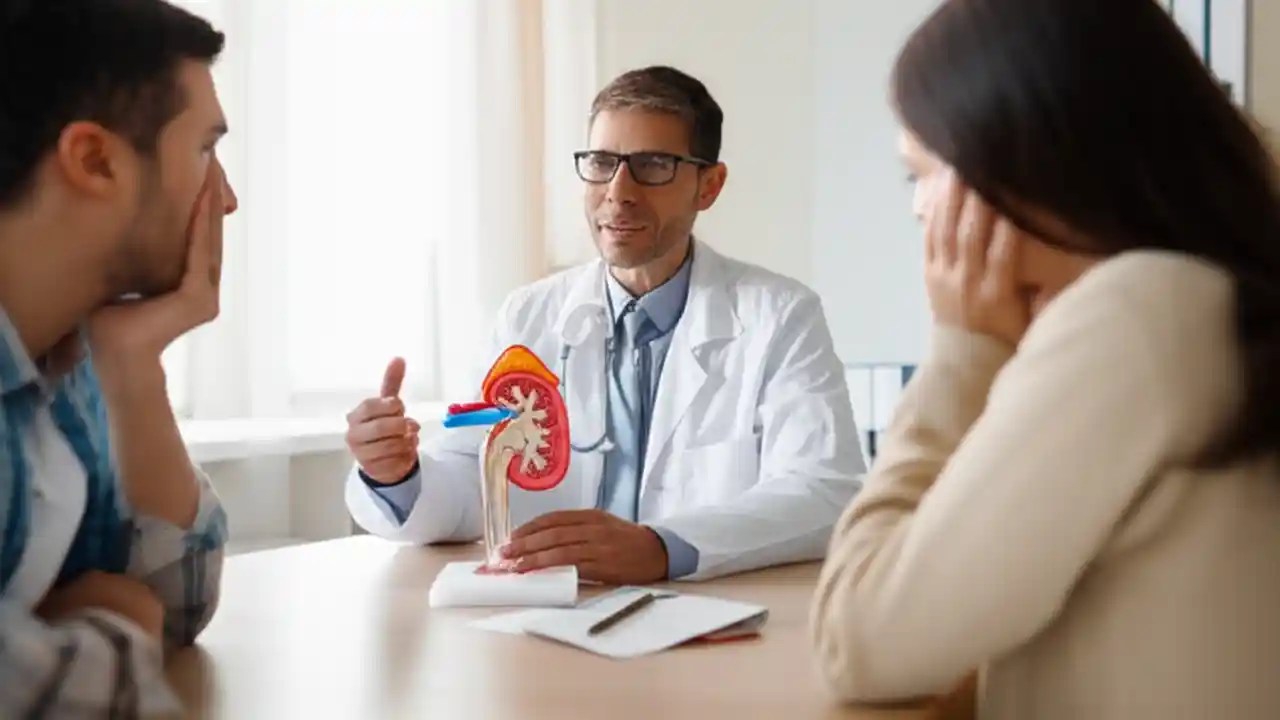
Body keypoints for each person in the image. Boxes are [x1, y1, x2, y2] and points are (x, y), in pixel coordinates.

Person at [810, 0, 1280, 717]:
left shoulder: (1138, 313)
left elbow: (858, 639)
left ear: (1022, 159)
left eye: (922, 177)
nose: (921, 214)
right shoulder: (1207, 303)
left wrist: (962, 352)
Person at [345, 66, 865, 584]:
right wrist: (397, 474)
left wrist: (661, 548)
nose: (619, 192)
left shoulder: (779, 316)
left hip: (709, 617)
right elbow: (474, 473)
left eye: (654, 164)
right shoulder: (527, 317)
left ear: (709, 186)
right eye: (601, 163)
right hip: (551, 617)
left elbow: (824, 490)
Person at [0, 0, 238, 715]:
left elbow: (179, 608)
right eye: (204, 150)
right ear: (96, 161)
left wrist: (133, 363)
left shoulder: (68, 365)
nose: (226, 199)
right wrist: (117, 625)